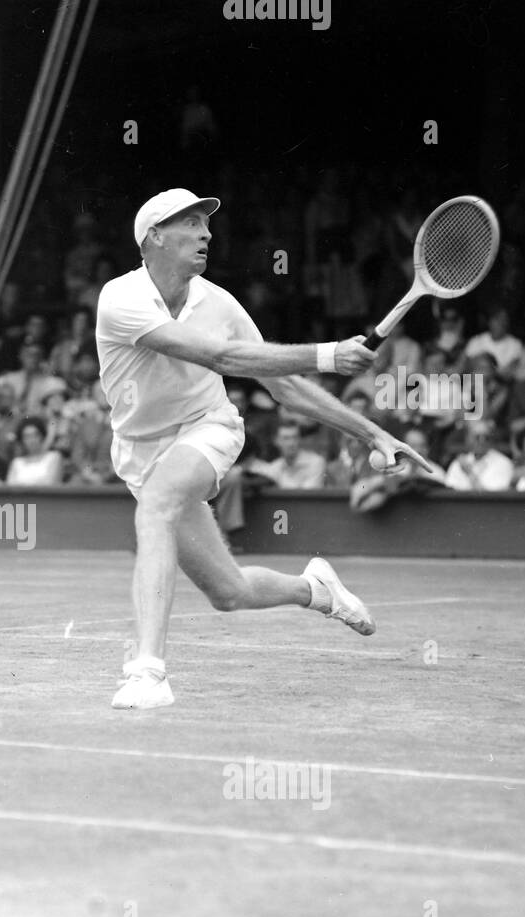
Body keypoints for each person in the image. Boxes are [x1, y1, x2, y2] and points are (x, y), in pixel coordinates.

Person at [96, 188, 427, 709]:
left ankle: (148, 673)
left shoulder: (219, 302)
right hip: (139, 451)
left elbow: (284, 388)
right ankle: (315, 590)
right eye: (190, 223)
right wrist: (327, 354)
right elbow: (219, 354)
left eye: (207, 224)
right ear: (154, 236)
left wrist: (374, 434)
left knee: (157, 506)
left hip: (208, 429)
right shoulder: (120, 299)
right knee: (229, 593)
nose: (206, 233)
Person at [444, 421, 514, 491]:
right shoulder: (458, 464)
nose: (482, 441)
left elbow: (491, 498)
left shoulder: (503, 463)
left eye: (486, 438)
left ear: (492, 440)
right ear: (468, 439)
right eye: (477, 437)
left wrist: (469, 473)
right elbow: (448, 492)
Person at [5, 416, 64, 486]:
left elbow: (50, 484)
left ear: (42, 436)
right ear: (22, 440)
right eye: (27, 436)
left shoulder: (54, 457)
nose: (32, 440)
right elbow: (10, 488)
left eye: (35, 435)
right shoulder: (16, 462)